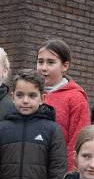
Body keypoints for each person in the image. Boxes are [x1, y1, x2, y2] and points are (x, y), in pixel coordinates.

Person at [36, 39, 90, 170]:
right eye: (40, 61)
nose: (43, 68)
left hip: (59, 173)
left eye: (50, 62)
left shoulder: (76, 98)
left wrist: (69, 176)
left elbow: (78, 141)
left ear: (65, 66)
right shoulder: (29, 94)